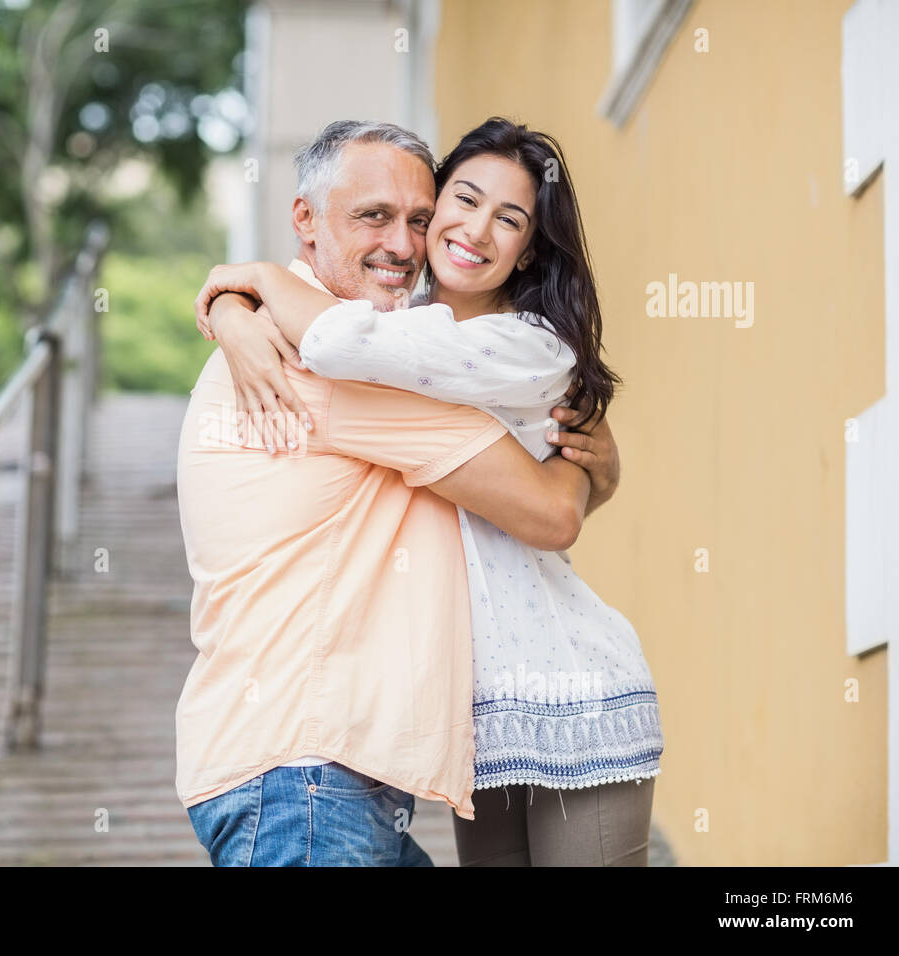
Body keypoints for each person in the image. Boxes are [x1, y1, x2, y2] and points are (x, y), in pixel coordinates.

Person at [194, 117, 663, 866]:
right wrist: (235, 309)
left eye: (509, 218)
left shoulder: (522, 343)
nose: (468, 230)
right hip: (468, 716)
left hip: (569, 692)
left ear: (530, 248)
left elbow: (550, 513)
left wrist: (247, 284)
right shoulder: (387, 339)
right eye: (460, 200)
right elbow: (347, 341)